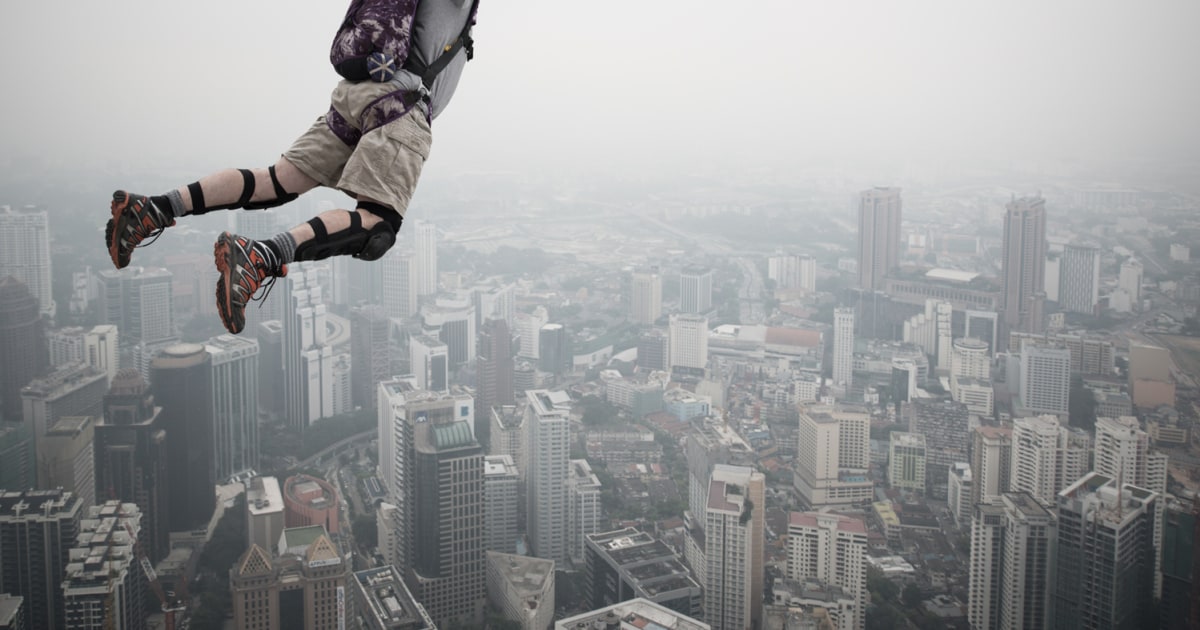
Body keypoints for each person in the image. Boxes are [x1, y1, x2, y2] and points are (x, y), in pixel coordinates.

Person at [105, 0, 479, 334]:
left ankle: (154, 208)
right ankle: (261, 256)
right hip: (402, 105)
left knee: (276, 181)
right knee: (378, 224)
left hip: (360, 90)